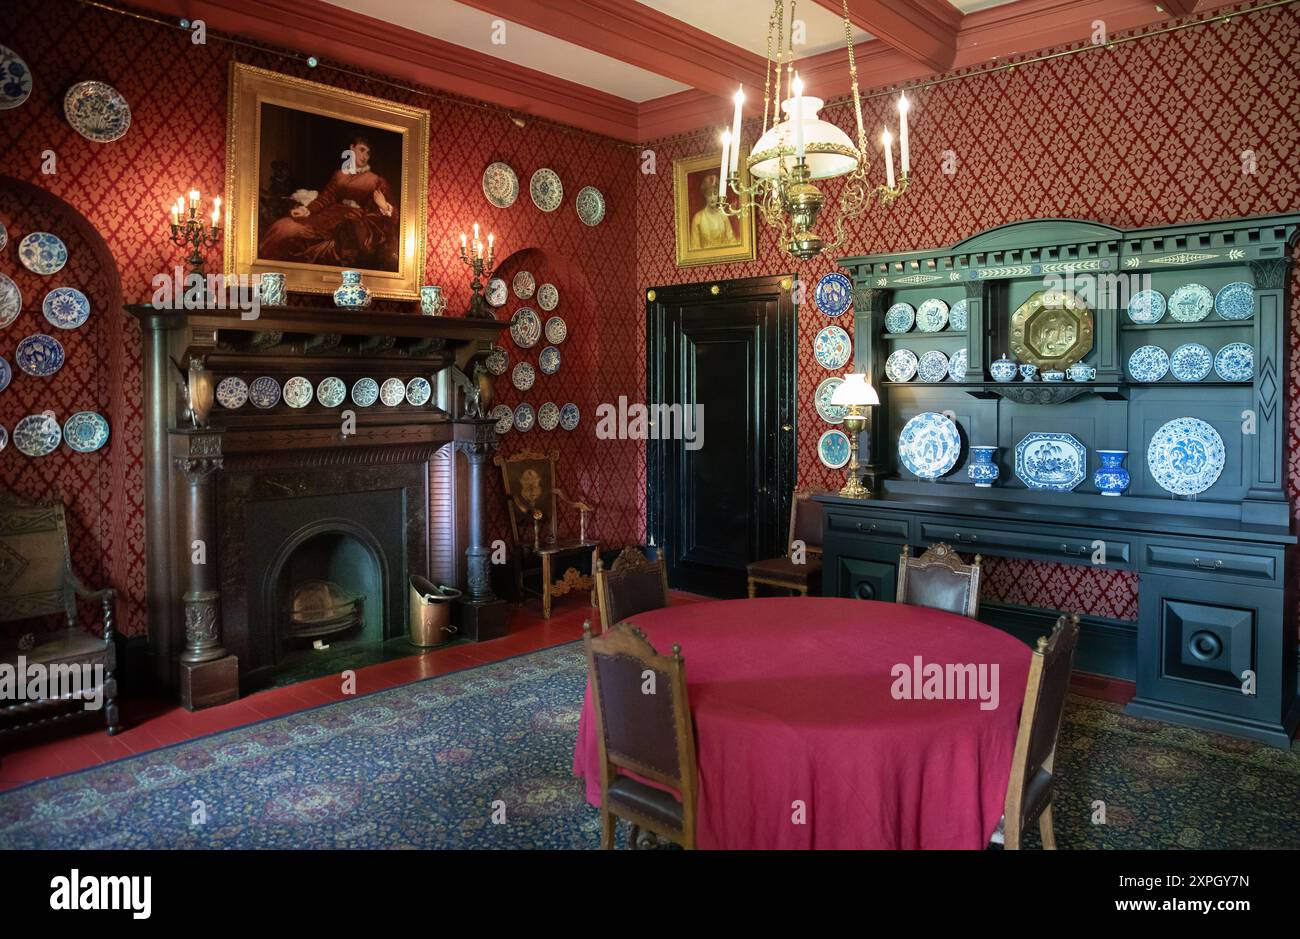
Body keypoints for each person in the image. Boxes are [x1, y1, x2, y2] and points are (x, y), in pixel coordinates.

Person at [258, 135, 398, 269]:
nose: (365, 156)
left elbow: (391, 214)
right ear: (352, 148)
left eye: (368, 153)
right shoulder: (339, 175)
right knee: (283, 227)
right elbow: (326, 197)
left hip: (350, 219)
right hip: (329, 214)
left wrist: (384, 205)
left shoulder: (375, 180)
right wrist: (307, 210)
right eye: (362, 150)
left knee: (309, 239)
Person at [689, 173, 738, 250]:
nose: (712, 198)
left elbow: (732, 240)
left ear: (718, 194)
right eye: (709, 194)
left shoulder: (723, 215)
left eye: (715, 193)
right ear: (705, 195)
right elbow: (695, 247)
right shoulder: (698, 218)